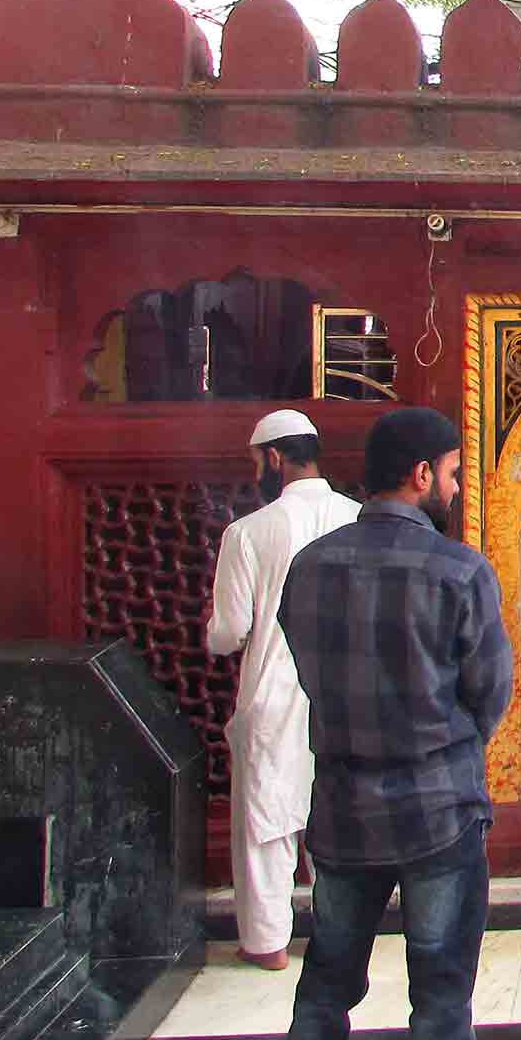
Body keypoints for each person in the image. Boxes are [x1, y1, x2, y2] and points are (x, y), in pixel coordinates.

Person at [279, 406, 512, 1040]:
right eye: (449, 471)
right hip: (438, 814)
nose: (451, 483)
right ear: (422, 475)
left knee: (323, 992)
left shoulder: (309, 567)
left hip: (343, 813)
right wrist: (439, 749)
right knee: (441, 996)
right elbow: (490, 696)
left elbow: (313, 677)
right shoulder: (459, 571)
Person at [206, 408, 360, 969]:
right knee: (337, 819)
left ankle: (268, 943)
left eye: (256, 463)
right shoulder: (359, 519)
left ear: (274, 458)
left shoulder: (247, 533)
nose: (255, 475)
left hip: (273, 694)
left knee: (266, 824)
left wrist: (210, 634)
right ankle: (342, 940)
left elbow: (229, 631)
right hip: (346, 698)